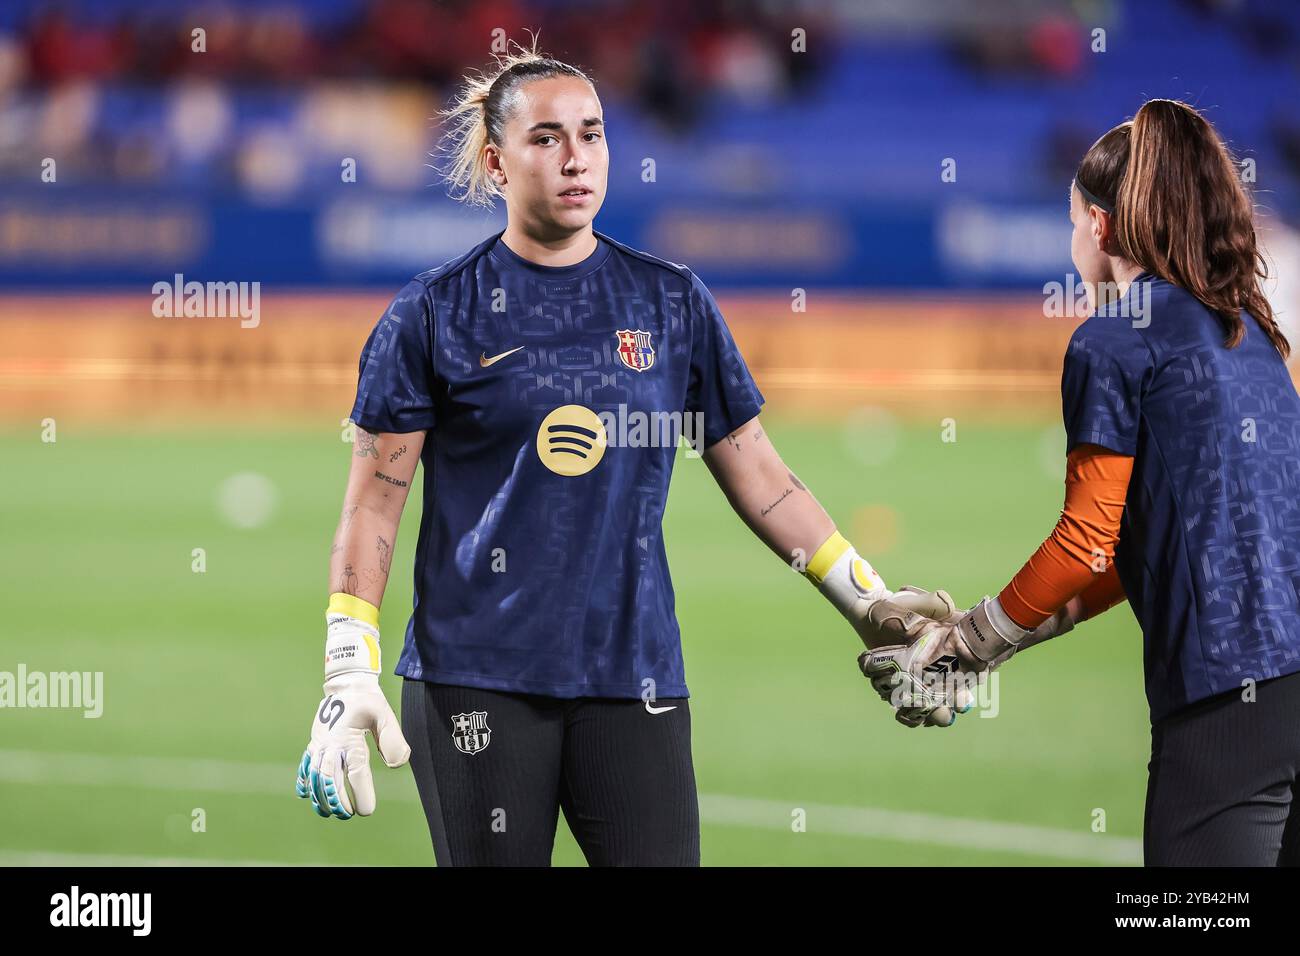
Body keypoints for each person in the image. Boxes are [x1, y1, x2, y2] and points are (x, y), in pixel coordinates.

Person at [294, 42, 949, 866]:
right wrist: (346, 664)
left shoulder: (671, 300)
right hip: (477, 675)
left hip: (634, 672)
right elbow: (373, 503)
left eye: (593, 133)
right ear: (496, 162)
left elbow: (765, 480)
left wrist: (870, 600)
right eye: (547, 138)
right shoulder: (432, 313)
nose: (576, 158)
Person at [864, 99, 1300, 866]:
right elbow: (1139, 554)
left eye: (1072, 220)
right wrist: (989, 635)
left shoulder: (1112, 339)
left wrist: (967, 645)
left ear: (1100, 227)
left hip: (1230, 702)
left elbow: (1085, 539)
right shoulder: (1250, 328)